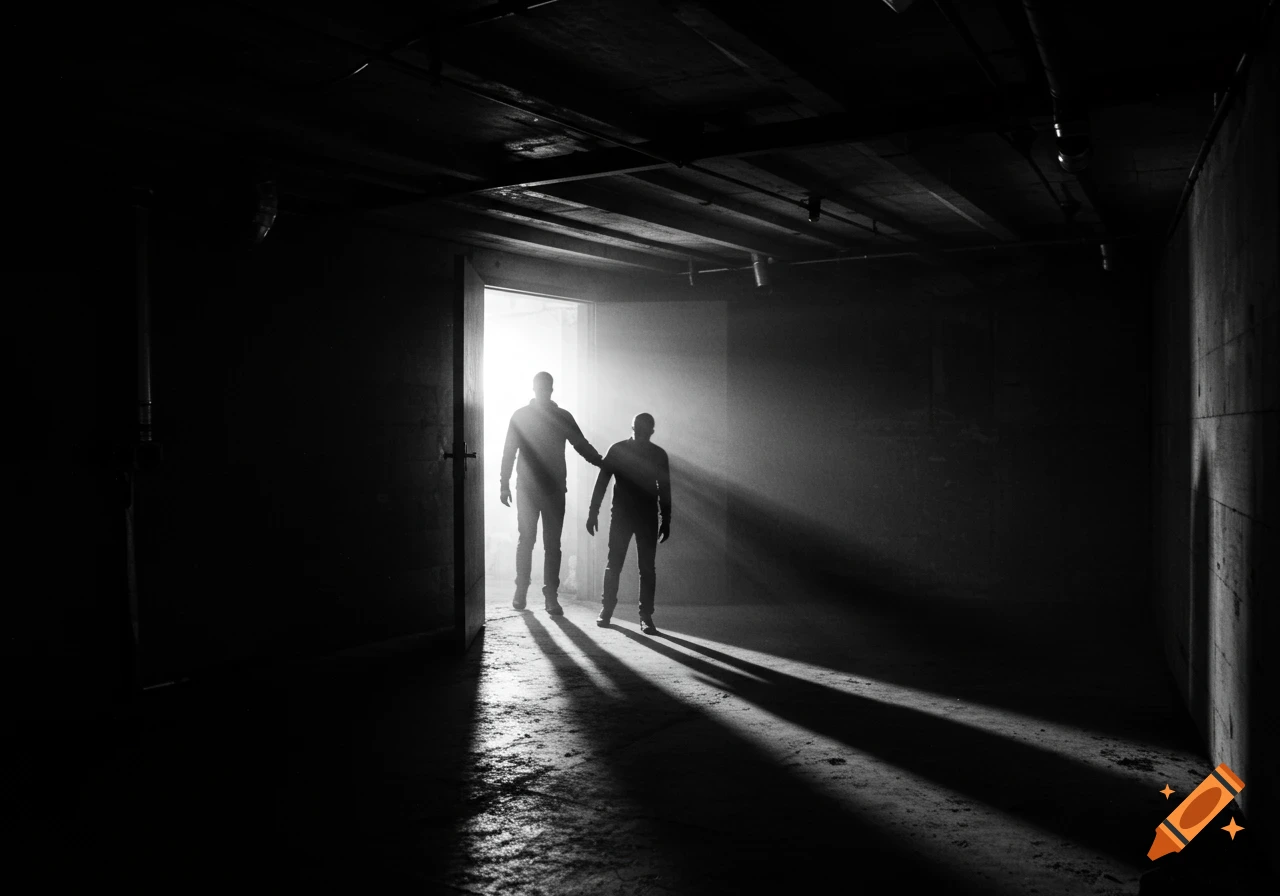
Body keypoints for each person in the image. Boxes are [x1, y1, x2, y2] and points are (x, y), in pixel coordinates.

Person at [500, 371, 602, 614]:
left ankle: (531, 593)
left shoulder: (525, 416)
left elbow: (580, 445)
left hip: (536, 489)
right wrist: (503, 483)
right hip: (542, 489)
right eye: (542, 388)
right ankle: (542, 595)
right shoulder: (558, 416)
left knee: (537, 542)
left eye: (545, 388)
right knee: (542, 543)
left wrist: (504, 483)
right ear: (542, 389)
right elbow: (581, 445)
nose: (544, 392)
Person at [587, 413, 671, 634]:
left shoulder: (620, 449)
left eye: (642, 432)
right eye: (639, 431)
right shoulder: (655, 454)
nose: (641, 435)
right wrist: (666, 519)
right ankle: (640, 616)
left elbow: (603, 481)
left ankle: (613, 612)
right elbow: (664, 489)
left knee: (621, 565)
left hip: (632, 516)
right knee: (640, 568)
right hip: (638, 517)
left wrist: (593, 512)